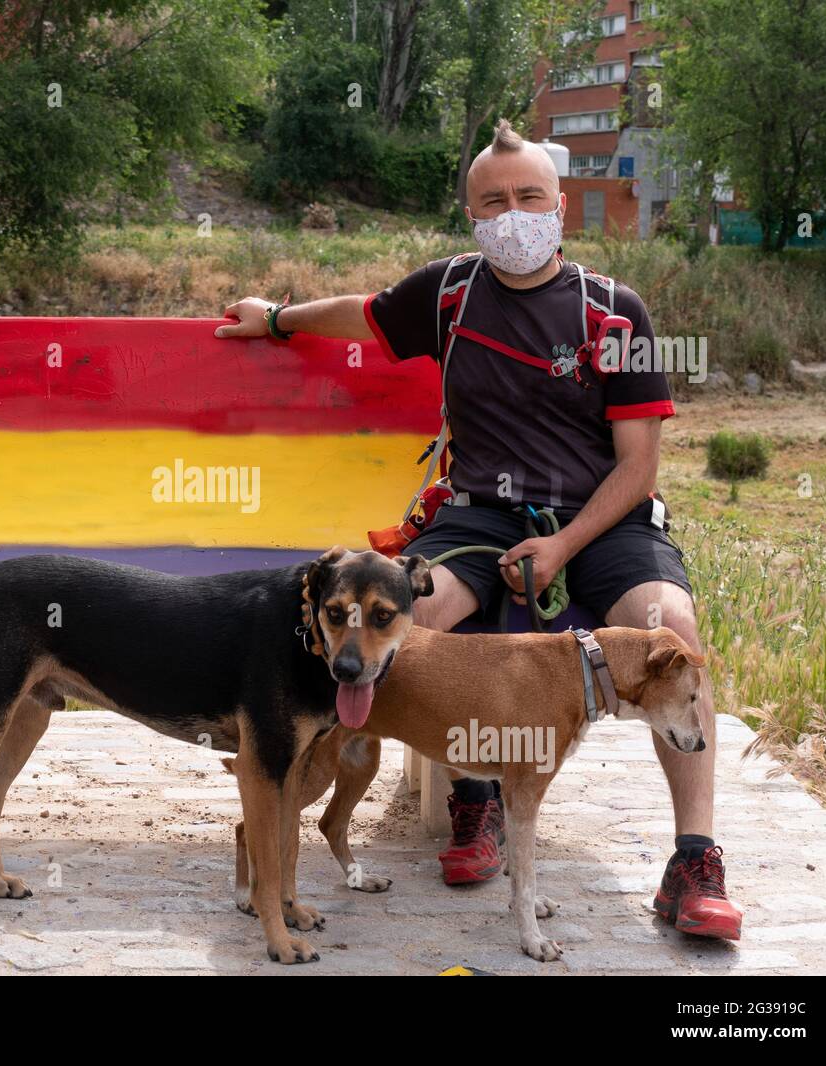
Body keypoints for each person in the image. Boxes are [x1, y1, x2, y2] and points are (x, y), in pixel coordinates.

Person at [214, 119, 742, 941]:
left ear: (560, 205)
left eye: (529, 197)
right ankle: (475, 798)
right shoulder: (452, 292)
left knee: (668, 623)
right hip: (476, 515)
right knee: (409, 619)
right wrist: (278, 318)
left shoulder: (618, 312)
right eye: (492, 202)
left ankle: (695, 860)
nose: (512, 213)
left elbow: (639, 466)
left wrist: (565, 546)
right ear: (471, 215)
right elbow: (365, 315)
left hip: (601, 520)